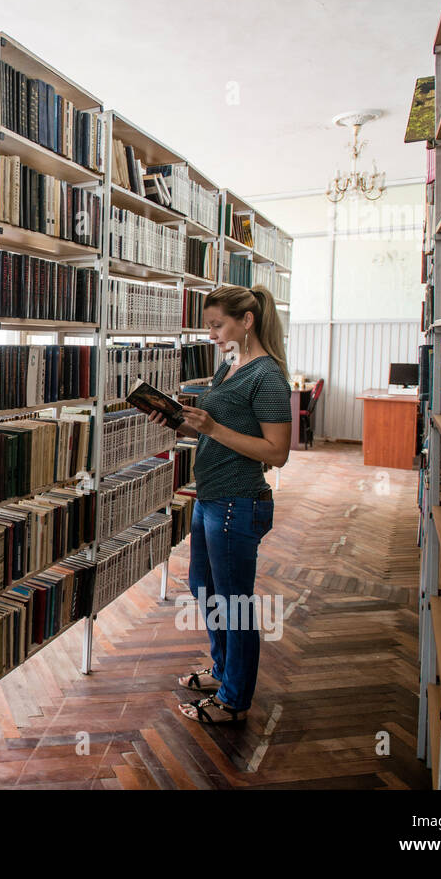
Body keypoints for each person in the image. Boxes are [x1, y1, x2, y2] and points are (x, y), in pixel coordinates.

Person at [144, 284, 292, 724]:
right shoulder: (229, 368)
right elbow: (215, 431)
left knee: (235, 604)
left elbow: (277, 452)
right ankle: (225, 671)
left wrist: (211, 427)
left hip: (238, 502)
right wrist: (179, 422)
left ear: (246, 322)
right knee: (204, 590)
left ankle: (234, 700)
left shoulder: (268, 377)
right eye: (208, 325)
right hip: (210, 498)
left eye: (217, 324)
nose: (210, 334)